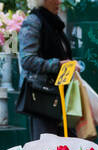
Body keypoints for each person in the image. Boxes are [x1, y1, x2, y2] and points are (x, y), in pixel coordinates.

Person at [17, 0, 76, 140]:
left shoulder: (55, 23)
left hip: (61, 95)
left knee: (67, 148)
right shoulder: (33, 21)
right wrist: (58, 65)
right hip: (43, 99)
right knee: (47, 149)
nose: (59, 1)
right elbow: (27, 60)